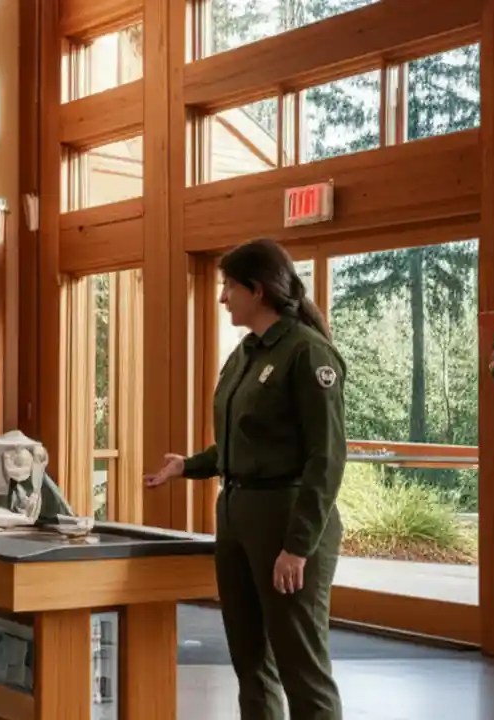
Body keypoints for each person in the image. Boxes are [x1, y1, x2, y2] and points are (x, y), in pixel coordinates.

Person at [145, 238, 346, 720]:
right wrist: (188, 466)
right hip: (237, 516)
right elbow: (245, 444)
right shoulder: (245, 355)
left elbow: (328, 457)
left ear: (257, 290)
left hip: (286, 518)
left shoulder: (307, 353)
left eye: (228, 286)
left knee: (302, 667)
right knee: (250, 662)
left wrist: (298, 546)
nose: (222, 297)